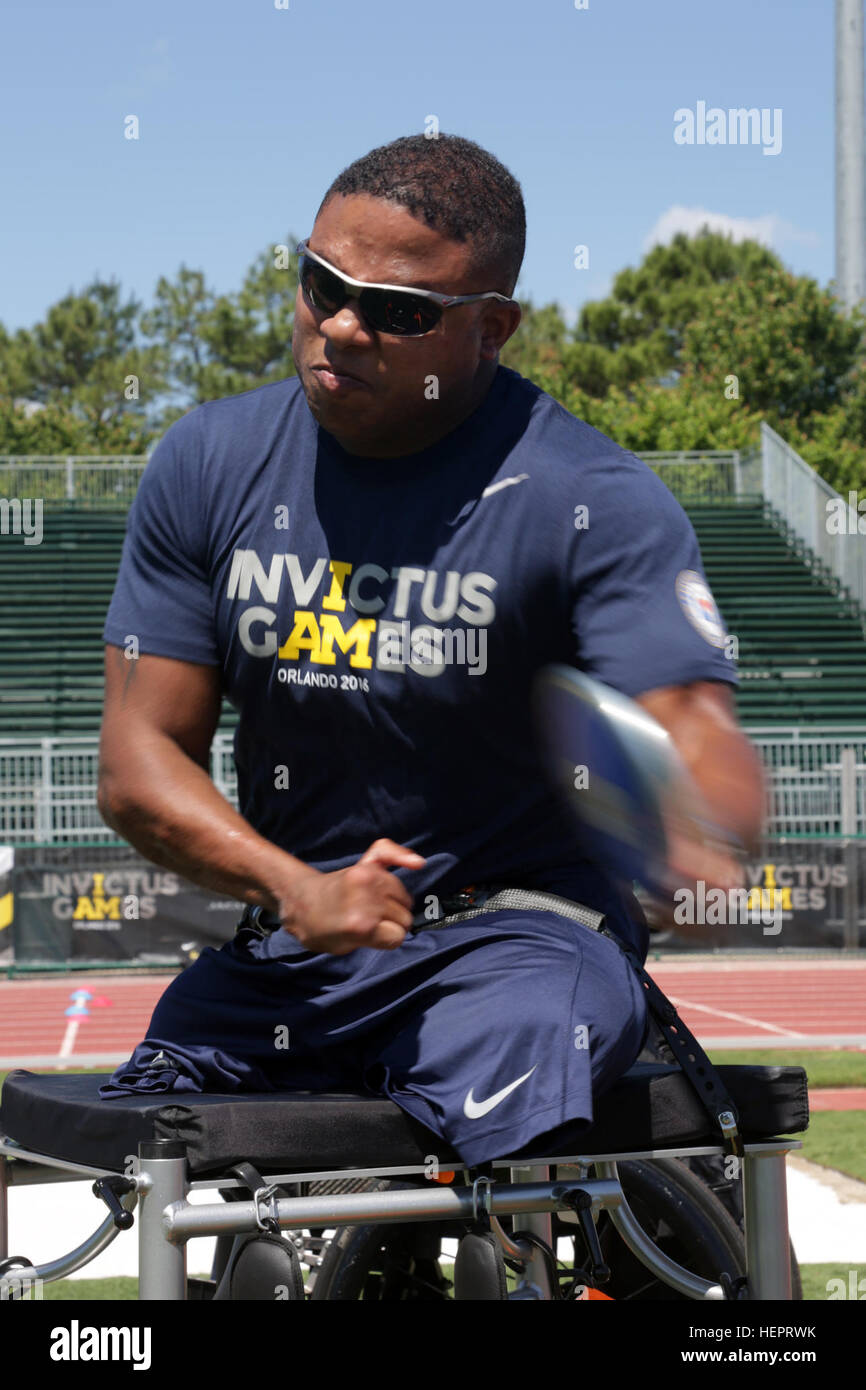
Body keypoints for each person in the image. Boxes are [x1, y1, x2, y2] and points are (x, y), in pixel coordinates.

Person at [96, 133, 764, 1169]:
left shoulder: (591, 497)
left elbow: (690, 722)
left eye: (399, 311)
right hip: (298, 949)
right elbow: (137, 764)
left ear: (492, 327)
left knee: (503, 1103)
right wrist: (296, 890)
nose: (342, 327)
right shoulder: (206, 462)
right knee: (143, 1145)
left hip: (519, 949)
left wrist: (704, 829)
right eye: (321, 284)